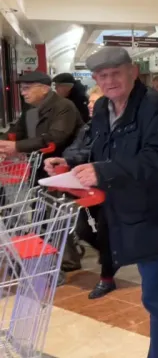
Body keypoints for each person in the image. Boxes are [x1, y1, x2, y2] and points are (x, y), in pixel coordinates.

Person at [44, 47, 158, 358]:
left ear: (133, 72)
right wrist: (68, 162)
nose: (110, 80)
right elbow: (94, 146)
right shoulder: (102, 108)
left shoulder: (156, 107)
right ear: (96, 79)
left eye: (116, 73)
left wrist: (102, 171)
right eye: (103, 75)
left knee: (156, 296)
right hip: (129, 211)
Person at [2, 71, 84, 272]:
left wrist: (18, 147)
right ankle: (47, 254)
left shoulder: (64, 107)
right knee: (42, 211)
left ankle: (68, 260)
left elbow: (57, 136)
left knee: (53, 211)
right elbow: (16, 132)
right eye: (22, 88)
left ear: (44, 88)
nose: (23, 93)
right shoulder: (31, 111)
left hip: (62, 168)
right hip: (39, 168)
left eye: (27, 88)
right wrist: (5, 144)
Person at [64, 85, 117, 299]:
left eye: (96, 102)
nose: (90, 106)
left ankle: (107, 278)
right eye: (89, 102)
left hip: (110, 187)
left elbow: (100, 153)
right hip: (88, 187)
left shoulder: (115, 128)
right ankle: (114, 255)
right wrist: (67, 159)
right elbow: (73, 150)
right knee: (84, 230)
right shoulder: (88, 127)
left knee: (105, 231)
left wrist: (78, 157)